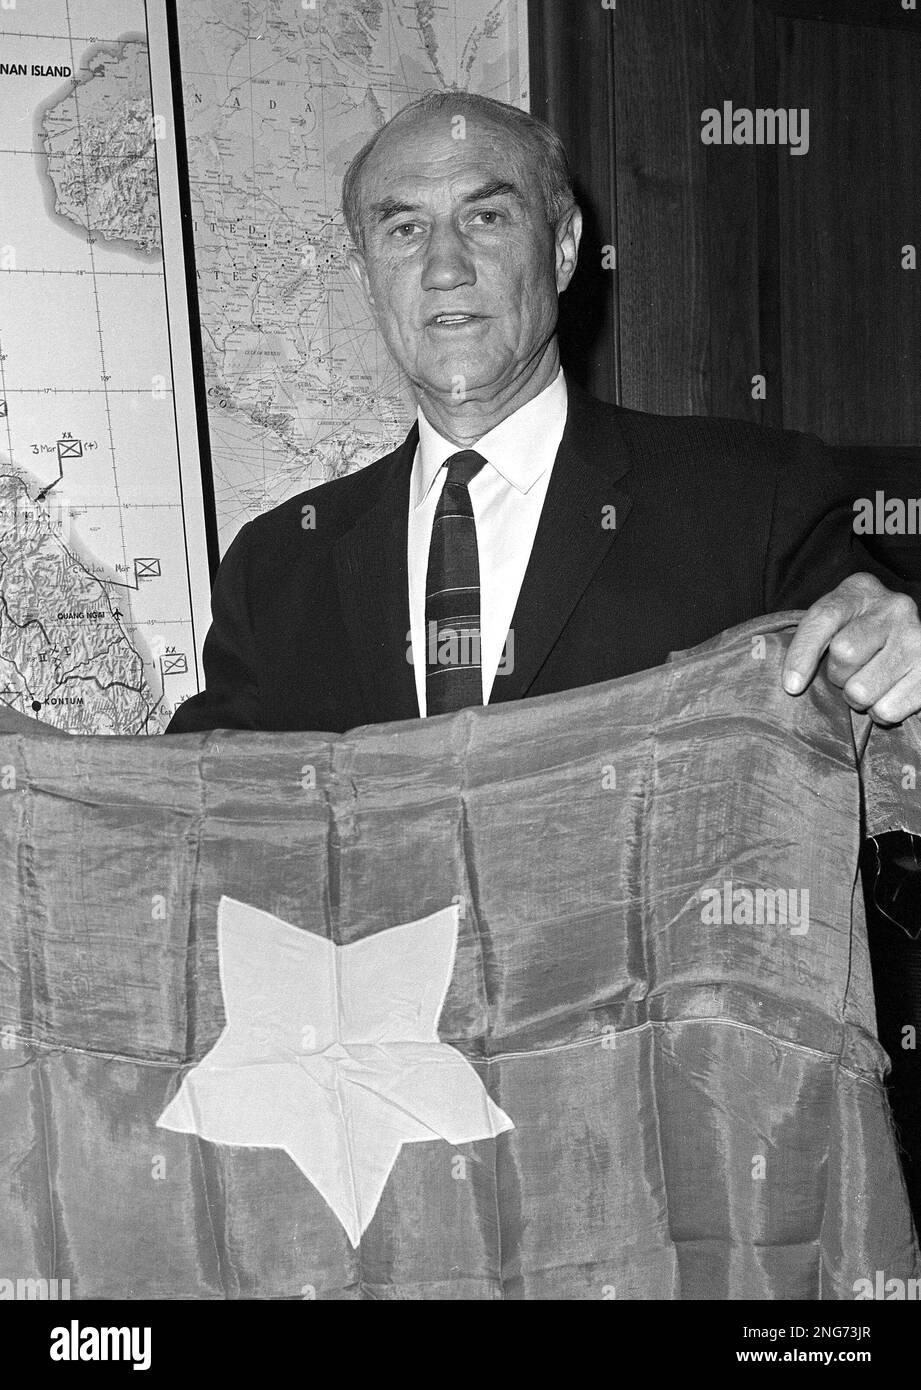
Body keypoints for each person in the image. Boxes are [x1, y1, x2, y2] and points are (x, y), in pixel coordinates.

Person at [166, 91, 921, 737]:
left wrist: (904, 654)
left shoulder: (755, 502)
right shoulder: (274, 570)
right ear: (366, 280)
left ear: (562, 250)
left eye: (487, 217)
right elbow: (193, 818)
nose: (444, 268)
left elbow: (877, 731)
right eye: (404, 230)